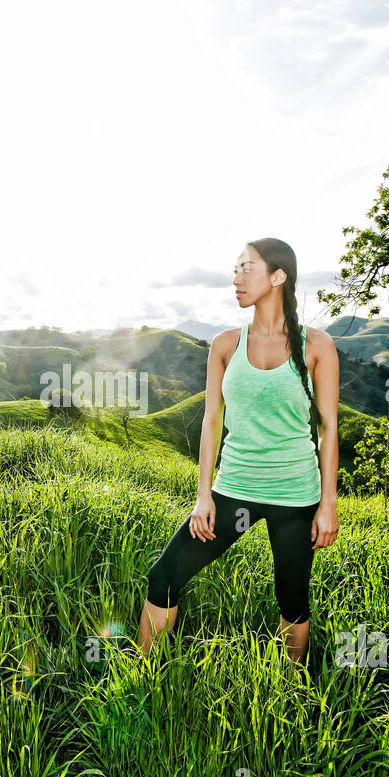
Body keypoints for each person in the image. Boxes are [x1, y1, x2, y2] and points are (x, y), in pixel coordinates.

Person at [137, 238, 340, 665]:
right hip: (234, 490)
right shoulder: (225, 344)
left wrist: (328, 503)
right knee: (164, 576)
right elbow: (212, 420)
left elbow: (327, 428)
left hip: (295, 495)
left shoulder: (317, 346)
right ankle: (141, 679)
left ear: (278, 276)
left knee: (292, 599)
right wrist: (203, 495)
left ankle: (294, 692)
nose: (236, 278)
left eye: (247, 268)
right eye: (234, 270)